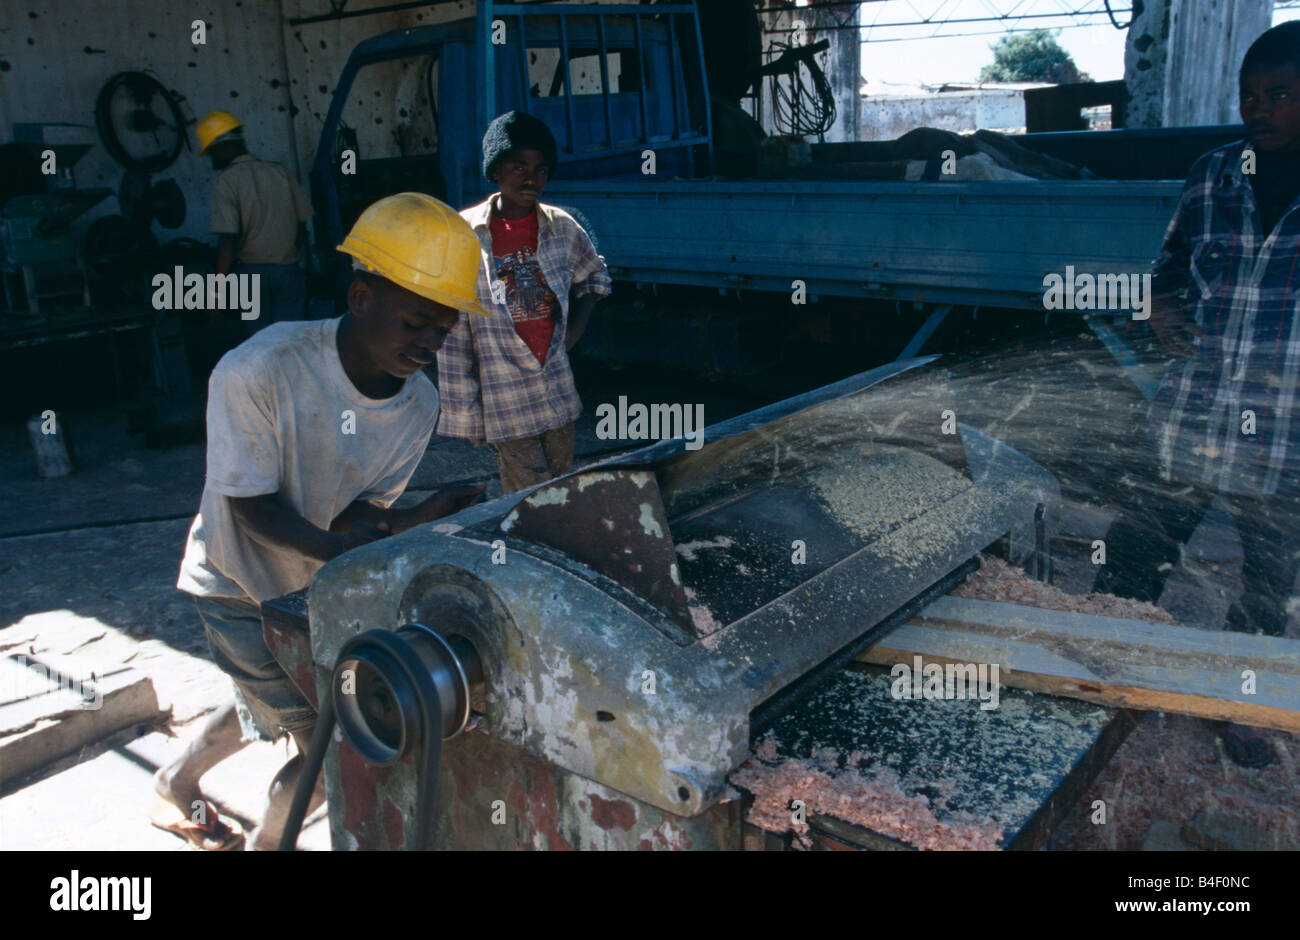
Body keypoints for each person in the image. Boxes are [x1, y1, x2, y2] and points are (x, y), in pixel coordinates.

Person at [152, 192, 488, 849]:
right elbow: (248, 507)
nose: (428, 346)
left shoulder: (418, 403)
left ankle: (172, 780)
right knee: (335, 753)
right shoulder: (260, 370)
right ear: (361, 297)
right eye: (415, 323)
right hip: (237, 588)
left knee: (282, 697)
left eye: (442, 331)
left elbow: (358, 508)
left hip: (308, 584)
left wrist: (412, 518)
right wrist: (335, 548)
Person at [1093, 22, 1300, 768]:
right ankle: (1102, 672)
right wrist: (1160, 306)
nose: (1260, 112)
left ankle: (1240, 709)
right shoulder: (1213, 174)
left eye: (1279, 96)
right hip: (1194, 415)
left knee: (1268, 587)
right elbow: (1169, 267)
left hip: (1285, 437)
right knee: (1134, 551)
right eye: (1250, 97)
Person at [436, 111, 612, 492]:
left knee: (560, 489)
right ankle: (527, 550)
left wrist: (574, 332)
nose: (531, 178)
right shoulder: (463, 235)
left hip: (557, 394)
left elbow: (595, 276)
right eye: (519, 167)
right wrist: (467, 415)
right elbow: (452, 330)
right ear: (496, 170)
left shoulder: (562, 227)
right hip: (506, 401)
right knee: (529, 499)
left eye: (540, 169)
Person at [196, 110, 313, 330]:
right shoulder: (281, 173)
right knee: (292, 343)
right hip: (289, 272)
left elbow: (227, 241)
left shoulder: (226, 181)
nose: (212, 158)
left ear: (221, 146)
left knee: (260, 348)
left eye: (211, 152)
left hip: (252, 278)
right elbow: (302, 225)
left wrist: (216, 294)